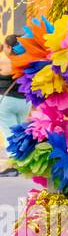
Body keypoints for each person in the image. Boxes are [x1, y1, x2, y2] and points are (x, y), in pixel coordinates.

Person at [0, 36, 27, 176]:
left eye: (4, 46)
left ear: (9, 47)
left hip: (7, 100)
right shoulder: (26, 59)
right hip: (25, 102)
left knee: (9, 133)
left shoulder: (3, 60)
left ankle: (12, 166)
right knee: (21, 133)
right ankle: (22, 164)